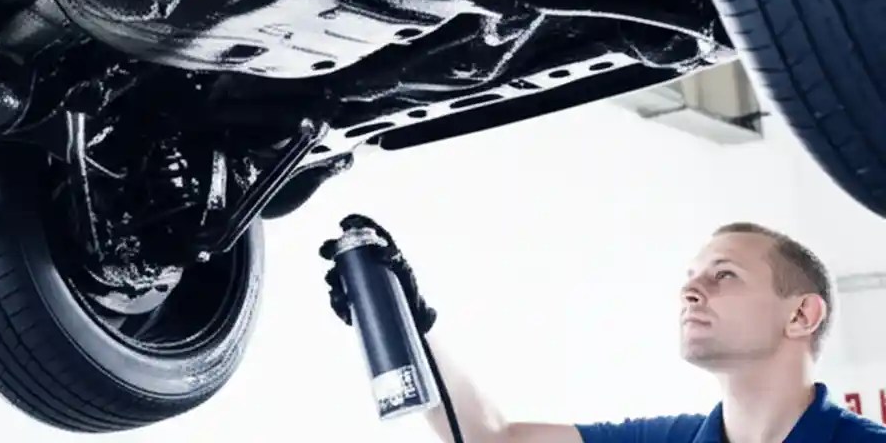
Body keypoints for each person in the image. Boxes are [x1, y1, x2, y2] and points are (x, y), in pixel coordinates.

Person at [319, 215, 886, 443]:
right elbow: (493, 438)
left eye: (725, 275)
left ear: (800, 315)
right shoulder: (669, 440)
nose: (691, 290)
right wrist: (411, 325)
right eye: (690, 277)